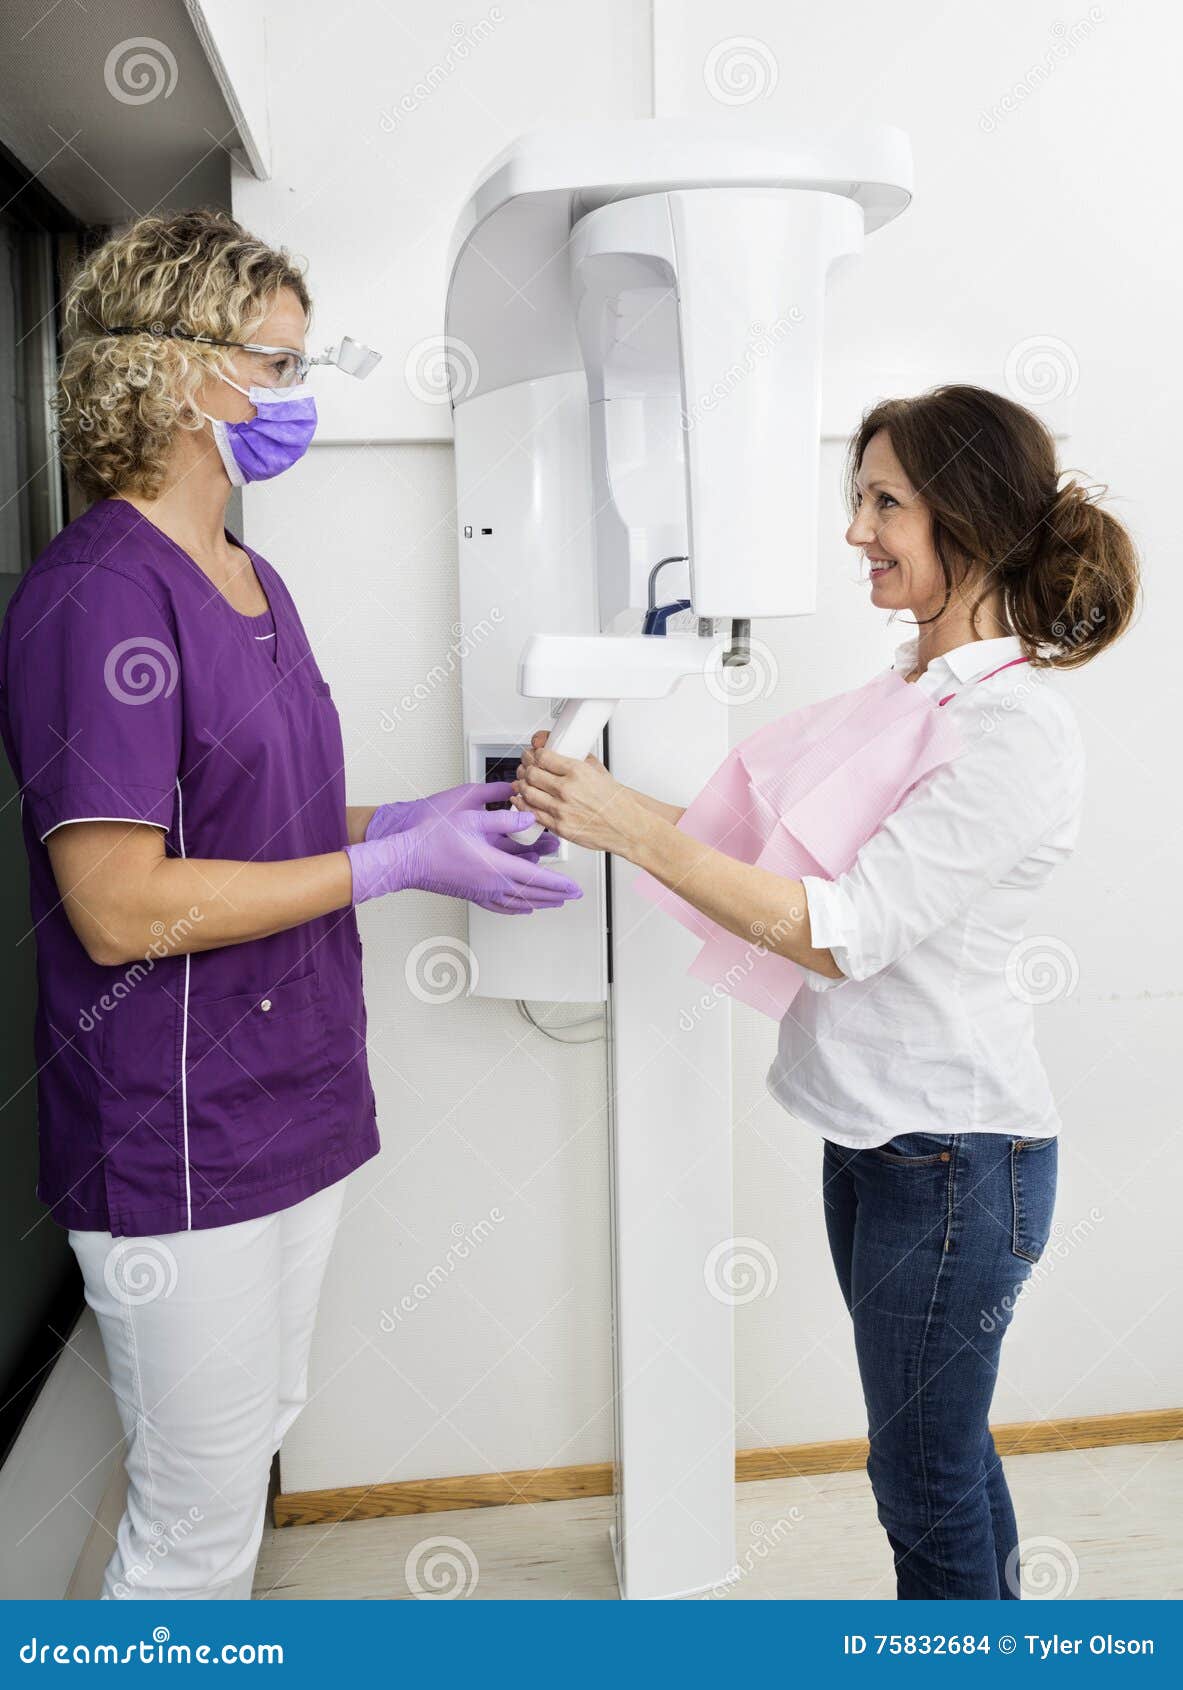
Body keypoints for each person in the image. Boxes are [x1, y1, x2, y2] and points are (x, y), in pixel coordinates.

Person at [0, 208, 580, 1600]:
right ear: (174, 370)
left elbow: (254, 824)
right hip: (176, 1127)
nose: (294, 395)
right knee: (190, 1534)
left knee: (252, 1439)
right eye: (279, 362)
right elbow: (121, 906)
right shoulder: (97, 600)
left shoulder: (254, 579)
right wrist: (386, 870)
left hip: (292, 1095)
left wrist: (417, 819)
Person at [513, 384, 1139, 1600]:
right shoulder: (916, 690)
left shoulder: (1009, 729)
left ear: (968, 511)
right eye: (858, 498)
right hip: (882, 1142)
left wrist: (629, 836)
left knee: (920, 1480)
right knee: (942, 1457)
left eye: (884, 501)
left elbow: (843, 932)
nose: (856, 530)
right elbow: (760, 854)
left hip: (956, 1154)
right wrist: (595, 802)